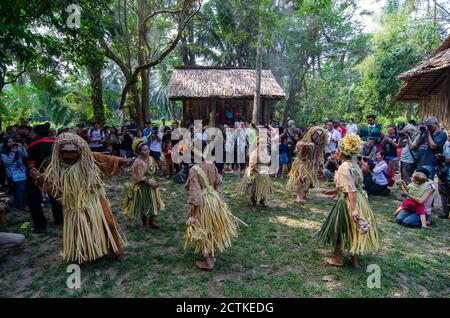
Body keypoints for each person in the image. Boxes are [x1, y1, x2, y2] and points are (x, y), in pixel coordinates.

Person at [30, 133, 130, 265]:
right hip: (74, 204)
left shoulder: (91, 158)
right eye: (66, 151)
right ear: (60, 151)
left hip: (95, 198)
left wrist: (121, 161)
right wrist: (39, 178)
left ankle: (116, 250)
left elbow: (108, 160)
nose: (69, 155)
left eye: (73, 151)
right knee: (81, 229)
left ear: (80, 150)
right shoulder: (56, 167)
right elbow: (50, 185)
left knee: (109, 223)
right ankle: (85, 255)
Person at [318, 134, 379, 268]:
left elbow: (350, 188)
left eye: (337, 150)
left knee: (339, 228)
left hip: (349, 201)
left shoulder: (344, 167)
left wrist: (353, 208)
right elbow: (354, 184)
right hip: (360, 199)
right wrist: (334, 191)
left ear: (341, 152)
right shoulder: (354, 165)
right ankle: (354, 259)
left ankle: (338, 258)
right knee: (354, 229)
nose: (335, 152)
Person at [184, 151, 244, 270]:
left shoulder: (194, 170)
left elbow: (196, 195)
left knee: (201, 229)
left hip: (204, 203)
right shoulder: (211, 164)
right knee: (211, 228)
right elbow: (218, 182)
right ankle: (211, 256)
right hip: (214, 200)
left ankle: (208, 262)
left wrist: (194, 216)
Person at [26, 123, 63, 233]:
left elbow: (31, 166)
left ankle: (41, 225)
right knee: (55, 198)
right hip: (54, 175)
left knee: (34, 200)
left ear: (37, 134)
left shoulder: (33, 145)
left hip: (38, 177)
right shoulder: (56, 143)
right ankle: (59, 220)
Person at [124, 143, 164, 230]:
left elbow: (154, 170)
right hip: (142, 186)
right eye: (144, 150)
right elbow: (140, 177)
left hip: (152, 184)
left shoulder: (151, 159)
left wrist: (155, 180)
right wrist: (151, 184)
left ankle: (152, 221)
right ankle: (144, 223)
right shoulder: (138, 162)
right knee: (143, 204)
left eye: (147, 149)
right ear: (140, 151)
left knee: (154, 203)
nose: (146, 151)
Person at [288, 126, 328, 202]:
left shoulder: (319, 146)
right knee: (300, 180)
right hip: (302, 164)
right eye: (316, 135)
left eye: (320, 136)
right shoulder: (306, 142)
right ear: (312, 135)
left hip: (312, 165)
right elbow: (298, 145)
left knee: (309, 182)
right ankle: (298, 196)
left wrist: (321, 164)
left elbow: (320, 155)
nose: (318, 138)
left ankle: (304, 194)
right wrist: (307, 145)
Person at [241, 136, 273, 208]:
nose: (264, 145)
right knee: (254, 188)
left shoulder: (266, 152)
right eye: (262, 143)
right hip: (256, 173)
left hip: (264, 172)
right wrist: (256, 172)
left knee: (264, 188)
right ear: (258, 144)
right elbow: (252, 164)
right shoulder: (255, 153)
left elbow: (269, 161)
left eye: (265, 143)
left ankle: (262, 201)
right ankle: (254, 203)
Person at [1, 138, 27, 211]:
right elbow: (7, 163)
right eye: (9, 142)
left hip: (21, 171)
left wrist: (22, 147)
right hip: (12, 173)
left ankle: (17, 203)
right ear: (5, 143)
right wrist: (12, 153)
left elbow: (25, 155)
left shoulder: (17, 148)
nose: (11, 143)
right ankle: (20, 205)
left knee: (19, 189)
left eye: (12, 141)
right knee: (20, 189)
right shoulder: (3, 153)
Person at [436, 132, 449, 219]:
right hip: (444, 174)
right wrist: (441, 157)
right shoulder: (447, 145)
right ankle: (445, 212)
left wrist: (446, 159)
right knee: (443, 194)